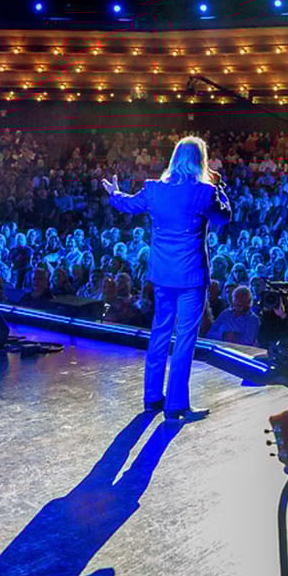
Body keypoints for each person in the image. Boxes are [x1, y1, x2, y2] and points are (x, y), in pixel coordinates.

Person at [103, 136, 232, 422]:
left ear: (174, 159)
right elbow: (225, 217)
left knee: (160, 333)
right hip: (191, 277)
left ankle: (152, 398)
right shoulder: (204, 192)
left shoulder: (154, 189)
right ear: (201, 160)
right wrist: (220, 188)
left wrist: (114, 193)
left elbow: (127, 205)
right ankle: (176, 405)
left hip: (162, 275)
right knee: (184, 339)